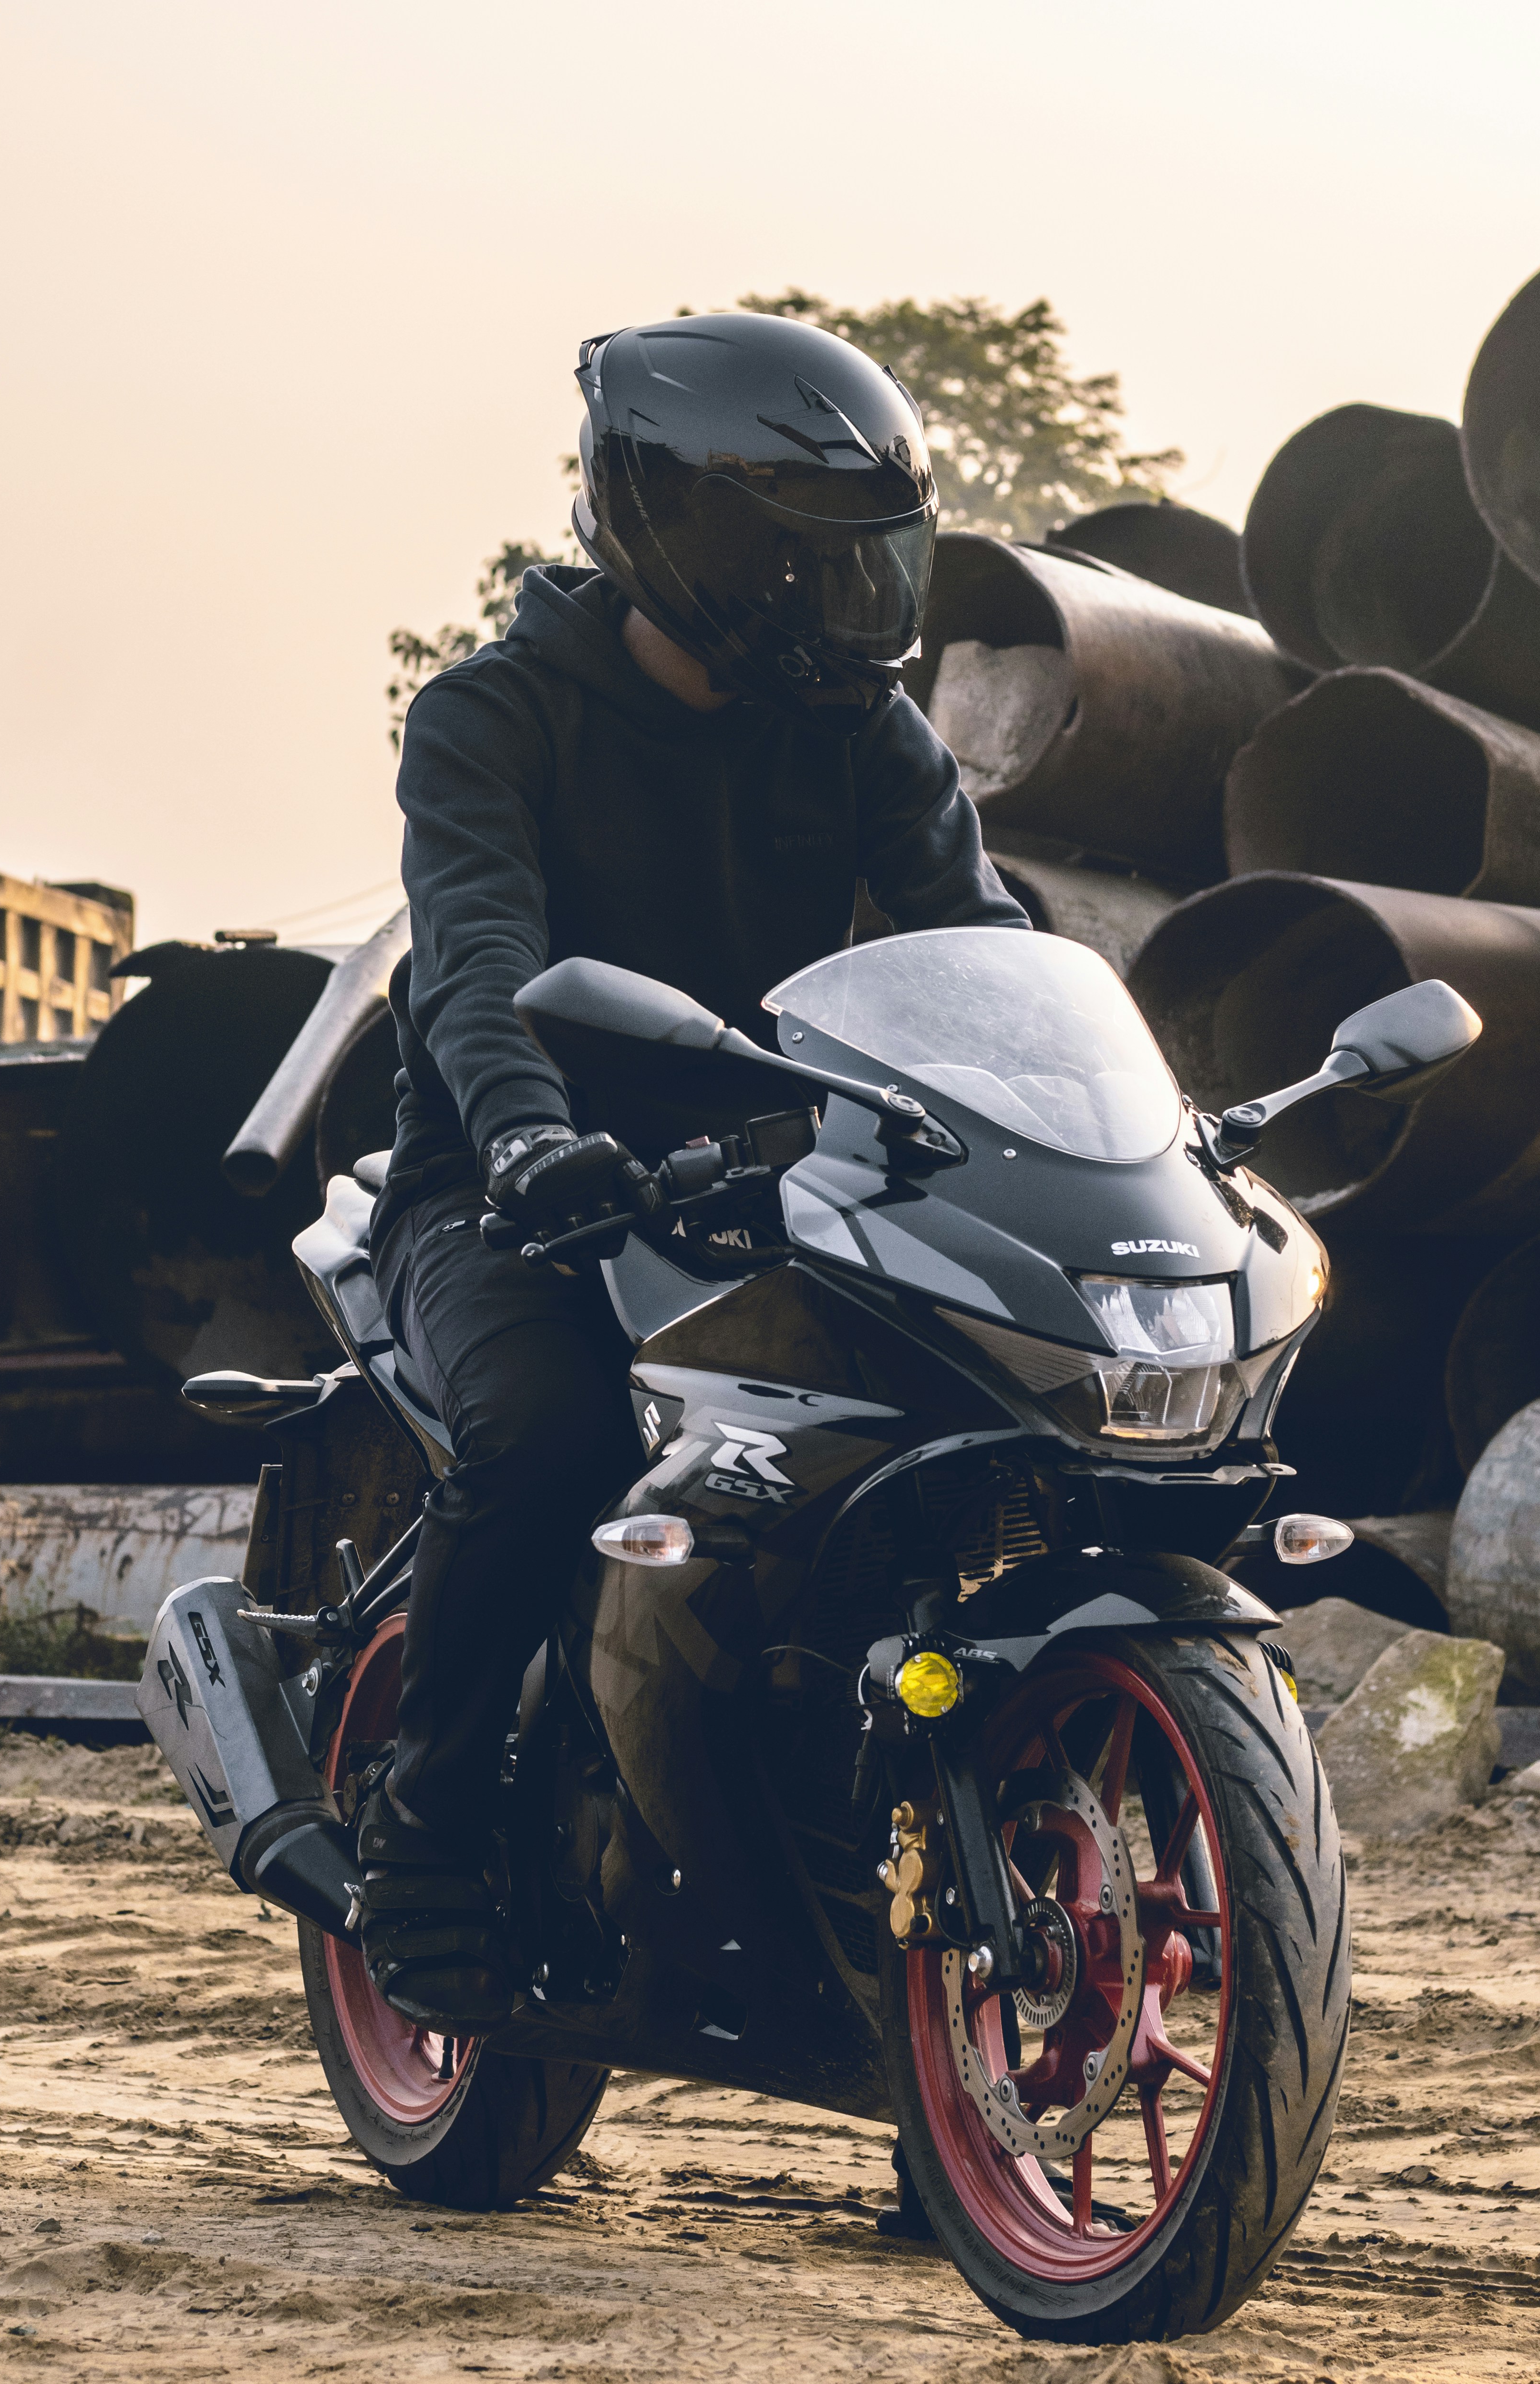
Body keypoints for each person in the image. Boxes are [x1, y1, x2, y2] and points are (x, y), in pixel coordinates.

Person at [356, 309, 1030, 2032]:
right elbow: (478, 962)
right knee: (552, 1439)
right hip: (517, 1188)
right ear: (706, 543)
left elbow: (984, 943)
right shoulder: (493, 720)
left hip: (773, 1188)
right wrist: (518, 1132)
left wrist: (1092, 1119)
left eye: (881, 556)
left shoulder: (864, 732)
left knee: (953, 1471)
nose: (864, 598)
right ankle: (422, 1835)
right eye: (823, 561)